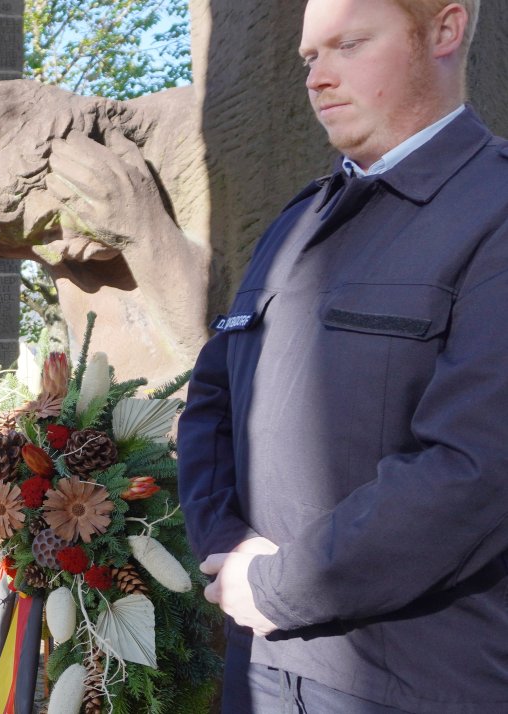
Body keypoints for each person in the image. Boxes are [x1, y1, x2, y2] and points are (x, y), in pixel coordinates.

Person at [178, 1, 508, 711]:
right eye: (308, 58)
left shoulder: (496, 211)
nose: (318, 79)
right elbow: (212, 403)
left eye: (348, 46)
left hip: (408, 680)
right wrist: (226, 554)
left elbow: (476, 472)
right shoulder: (298, 223)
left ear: (444, 32)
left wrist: (279, 586)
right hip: (260, 665)